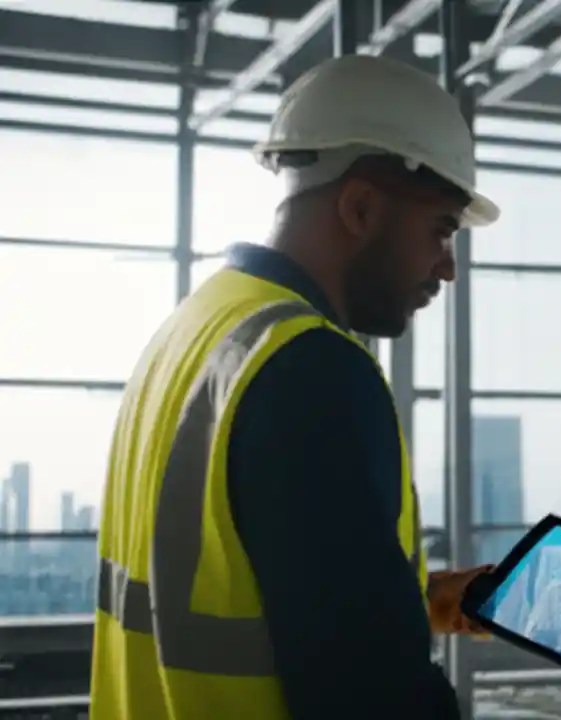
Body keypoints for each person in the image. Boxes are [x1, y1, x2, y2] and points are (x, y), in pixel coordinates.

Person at [90, 55, 499, 719]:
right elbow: (372, 695)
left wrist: (412, 598)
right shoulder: (312, 370)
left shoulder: (194, 330)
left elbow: (241, 579)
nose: (446, 267)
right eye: (441, 229)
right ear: (361, 207)